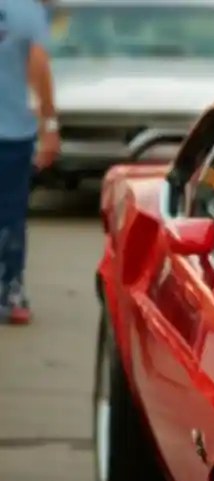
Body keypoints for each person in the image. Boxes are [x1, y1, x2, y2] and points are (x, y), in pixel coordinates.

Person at [0, 0, 59, 325]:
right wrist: (49, 126)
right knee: (9, 215)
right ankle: (10, 290)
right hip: (11, 134)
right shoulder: (27, 12)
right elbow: (38, 64)